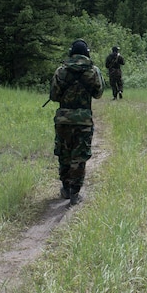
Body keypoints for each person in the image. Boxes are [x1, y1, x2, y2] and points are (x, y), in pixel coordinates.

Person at [49, 39, 105, 206]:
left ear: (70, 52)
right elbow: (98, 93)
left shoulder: (61, 71)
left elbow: (54, 96)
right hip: (83, 121)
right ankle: (75, 193)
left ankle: (65, 188)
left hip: (64, 119)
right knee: (79, 156)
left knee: (64, 153)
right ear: (87, 52)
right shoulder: (93, 71)